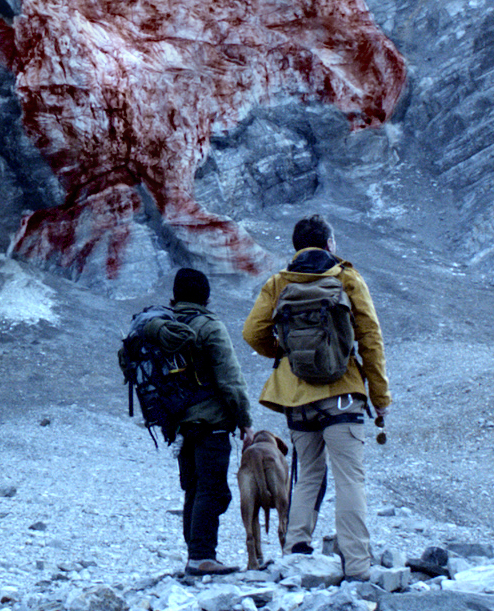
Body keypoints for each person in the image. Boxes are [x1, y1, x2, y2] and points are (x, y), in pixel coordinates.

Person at [241, 214, 390, 580]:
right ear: (329, 244)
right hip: (342, 394)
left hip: (297, 398)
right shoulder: (346, 277)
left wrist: (287, 353)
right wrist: (380, 396)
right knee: (349, 479)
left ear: (297, 246)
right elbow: (370, 337)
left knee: (308, 474)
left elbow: (251, 332)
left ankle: (295, 552)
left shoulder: (279, 282)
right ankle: (357, 565)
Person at [165, 268, 253, 576]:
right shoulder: (209, 327)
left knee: (193, 488)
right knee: (212, 489)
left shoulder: (164, 326)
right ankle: (202, 555)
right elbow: (230, 379)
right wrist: (245, 420)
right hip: (211, 423)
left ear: (174, 295)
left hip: (178, 424)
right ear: (207, 297)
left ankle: (194, 555)